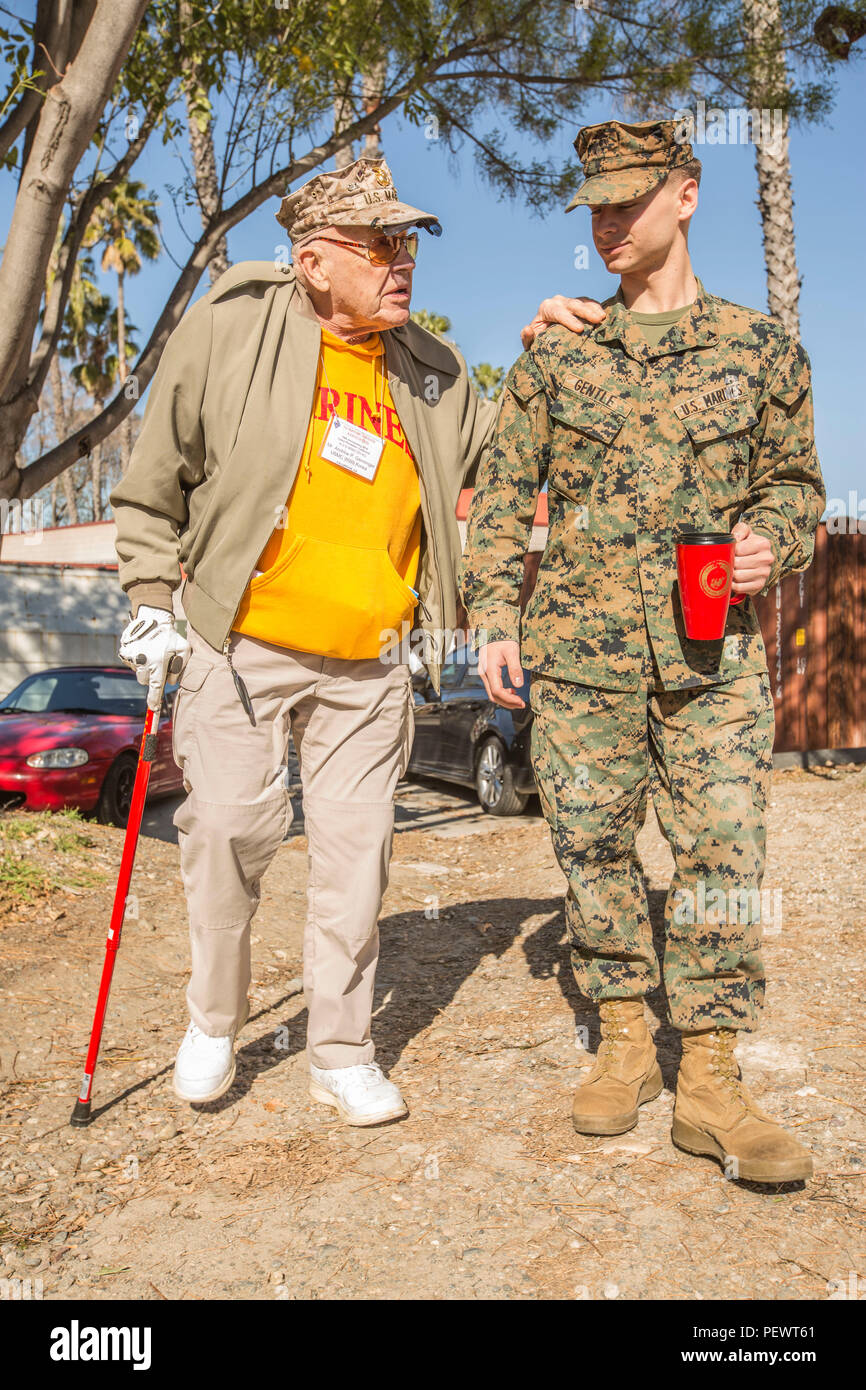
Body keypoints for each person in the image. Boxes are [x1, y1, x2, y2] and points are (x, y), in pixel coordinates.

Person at [111, 156, 601, 1126]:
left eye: (407, 241)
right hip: (237, 644)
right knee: (229, 836)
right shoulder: (230, 332)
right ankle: (213, 1019)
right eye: (378, 243)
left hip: (371, 661)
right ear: (310, 260)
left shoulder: (428, 369)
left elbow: (495, 462)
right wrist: (148, 596)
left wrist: (533, 347)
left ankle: (339, 1050)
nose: (401, 259)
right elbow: (152, 479)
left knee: (354, 858)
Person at [459, 120, 825, 1182]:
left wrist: (777, 540)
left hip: (710, 662)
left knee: (723, 851)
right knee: (591, 845)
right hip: (578, 658)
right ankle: (623, 1036)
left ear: (687, 194)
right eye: (595, 208)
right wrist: (492, 619)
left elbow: (795, 484)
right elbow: (499, 501)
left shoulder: (760, 350)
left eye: (627, 200)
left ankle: (709, 1070)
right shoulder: (556, 353)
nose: (607, 223)